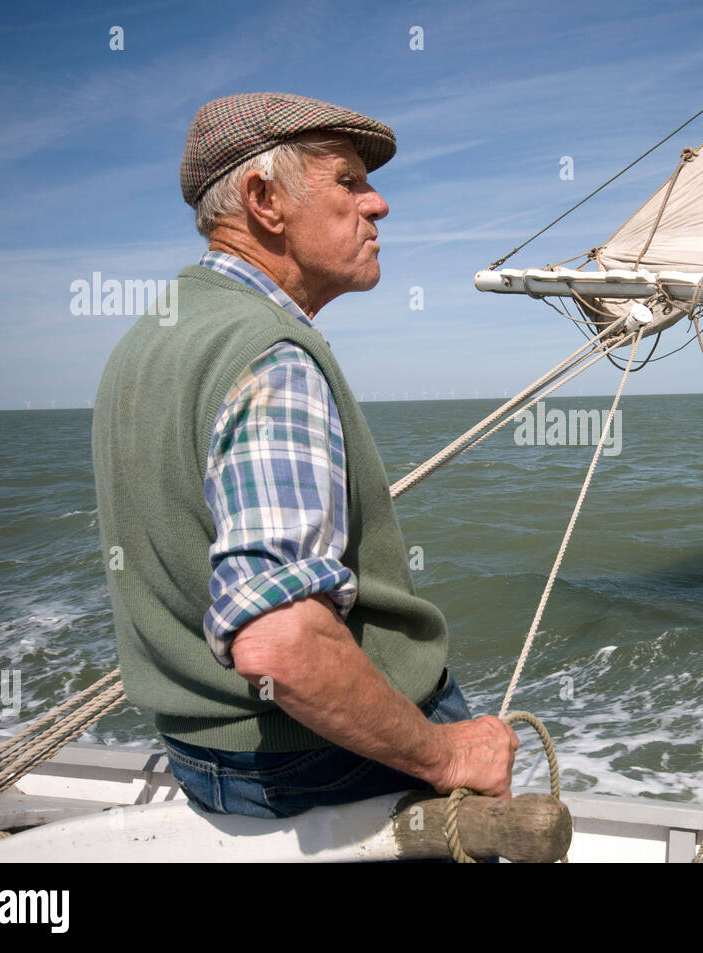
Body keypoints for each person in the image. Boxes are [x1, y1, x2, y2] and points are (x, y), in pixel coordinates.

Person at [91, 92, 518, 819]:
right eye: (349, 182)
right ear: (265, 200)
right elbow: (280, 642)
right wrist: (447, 753)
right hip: (328, 767)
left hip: (209, 762)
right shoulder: (269, 356)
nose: (378, 203)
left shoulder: (146, 341)